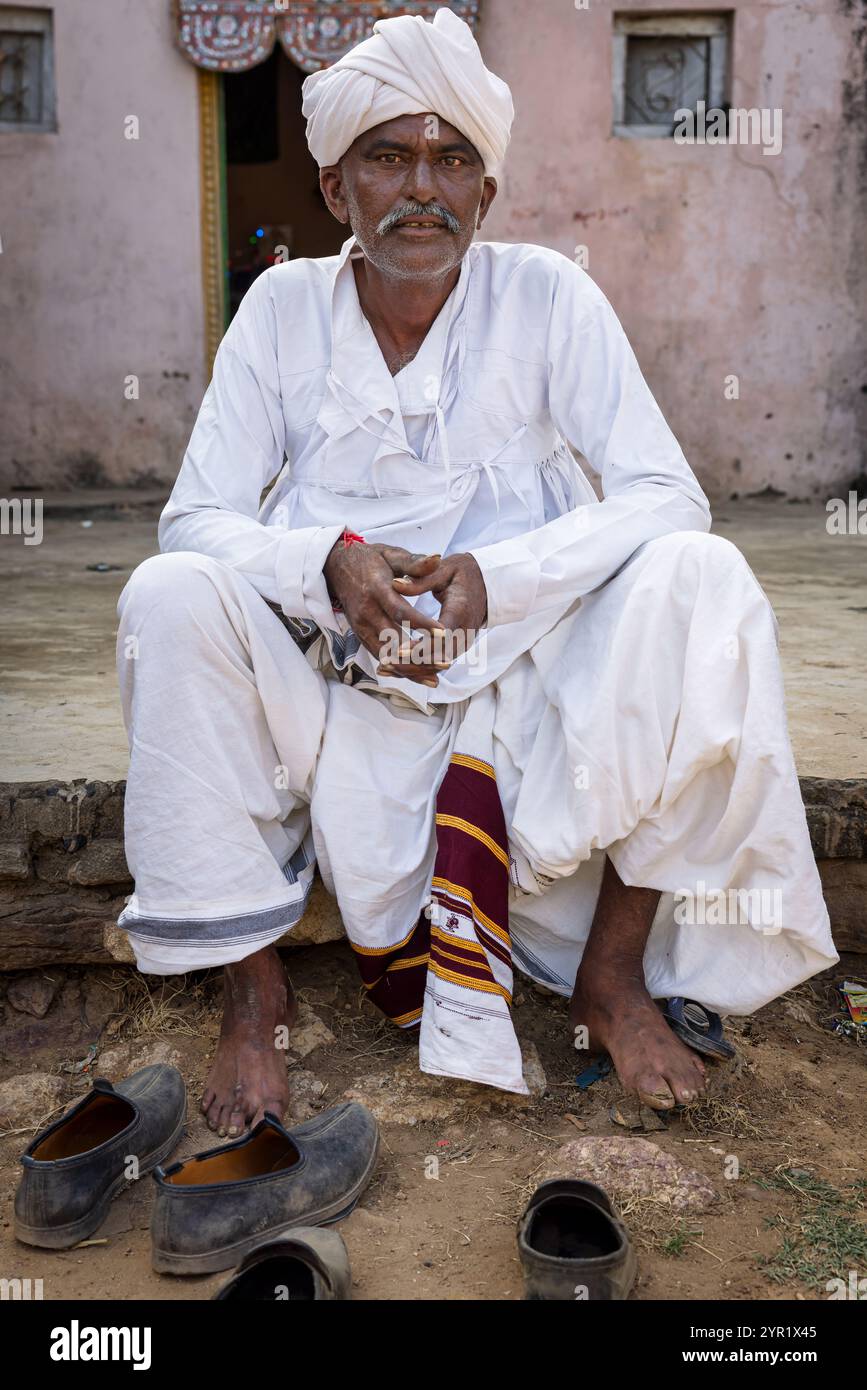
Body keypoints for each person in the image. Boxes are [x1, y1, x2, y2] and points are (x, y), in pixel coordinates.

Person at [116, 9, 837, 1138]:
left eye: (453, 159)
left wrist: (501, 580)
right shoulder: (280, 312)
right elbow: (195, 521)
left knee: (704, 578)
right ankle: (253, 996)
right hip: (337, 690)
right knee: (165, 597)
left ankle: (611, 973)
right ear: (334, 186)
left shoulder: (547, 296)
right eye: (389, 157)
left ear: (486, 195)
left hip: (525, 682)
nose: (423, 188)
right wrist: (330, 563)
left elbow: (666, 494)